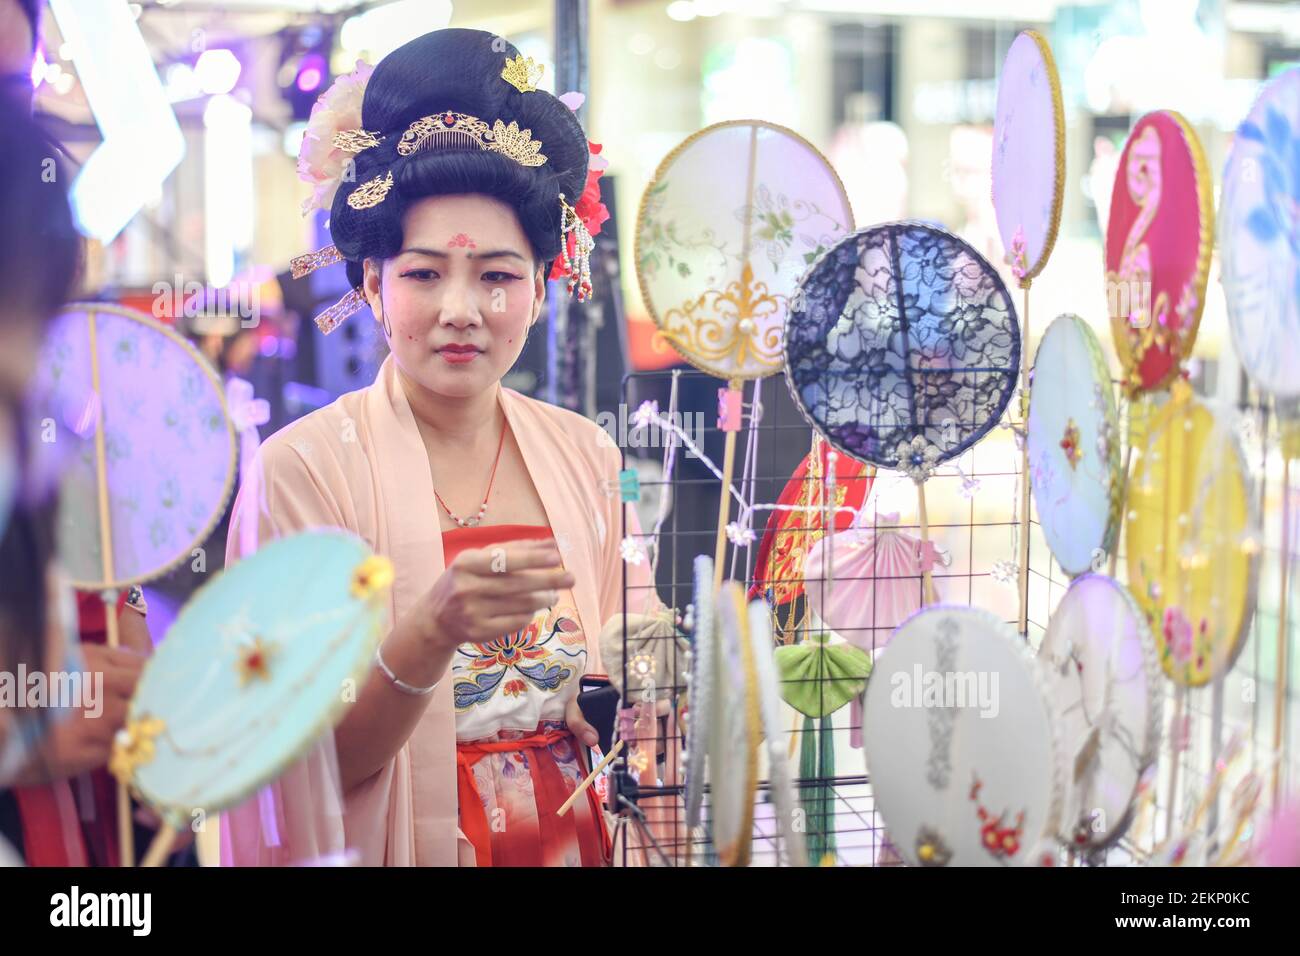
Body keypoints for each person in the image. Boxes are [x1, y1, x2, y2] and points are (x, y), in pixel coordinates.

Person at [221, 28, 661, 867]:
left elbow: (628, 642)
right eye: (424, 273)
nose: (461, 308)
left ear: (540, 292)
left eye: (497, 275)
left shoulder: (592, 457)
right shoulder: (302, 473)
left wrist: (641, 690)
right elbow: (303, 765)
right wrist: (428, 633)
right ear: (371, 286)